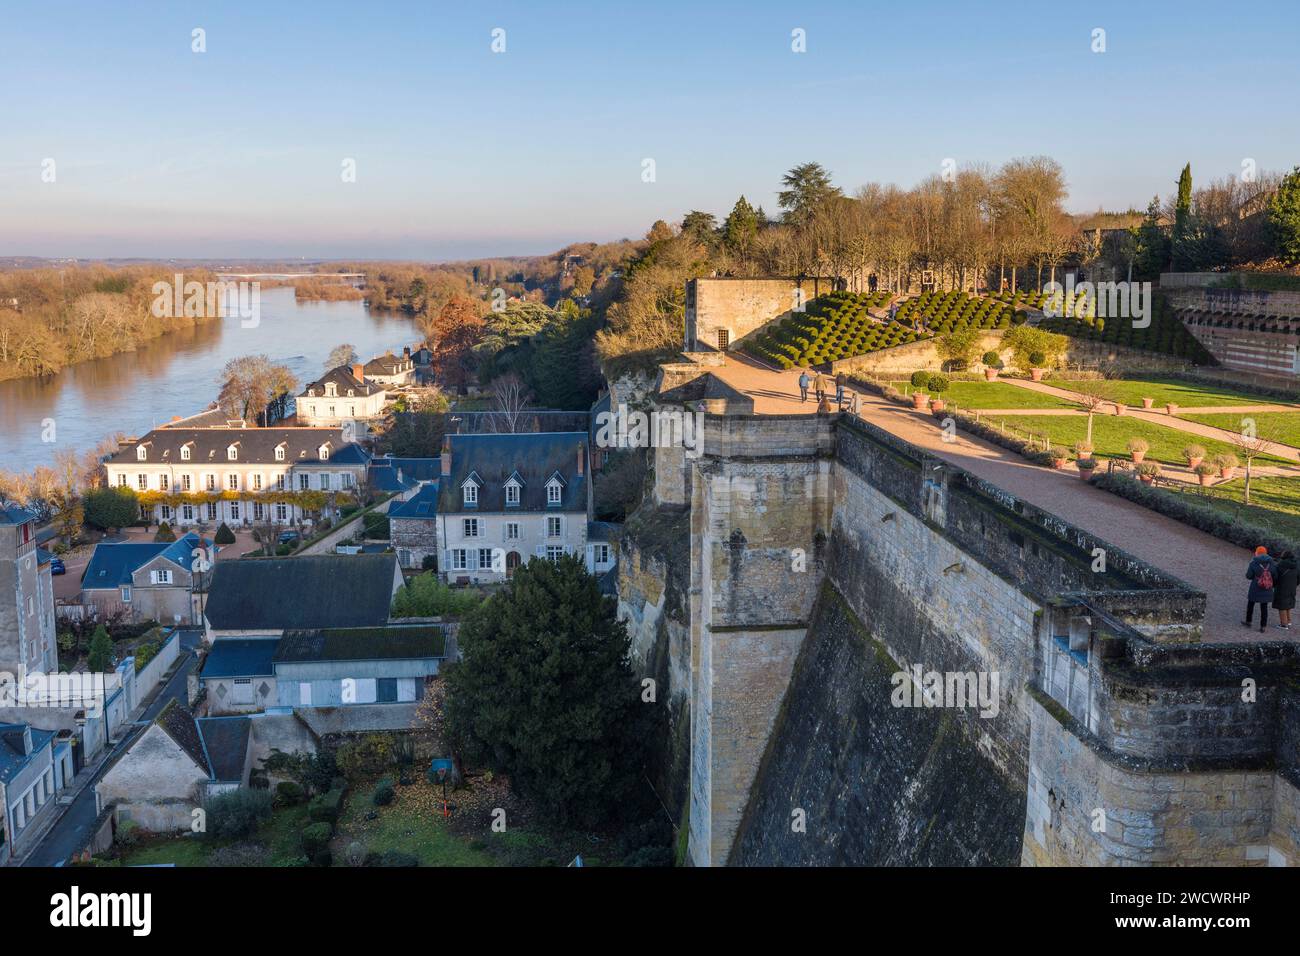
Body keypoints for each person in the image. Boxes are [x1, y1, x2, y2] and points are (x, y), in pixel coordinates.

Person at [1244, 546, 1277, 633]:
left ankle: (1248, 621)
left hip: (1255, 587)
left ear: (1257, 553)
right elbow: (1275, 576)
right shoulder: (1272, 563)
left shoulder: (1254, 563)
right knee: (1264, 607)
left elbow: (1248, 576)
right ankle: (1263, 626)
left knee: (1251, 604)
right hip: (1267, 588)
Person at [1273, 550, 1298, 630]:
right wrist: (1294, 584)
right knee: (1288, 605)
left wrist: (1274, 585)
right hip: (1292, 588)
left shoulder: (1280, 565)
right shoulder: (1296, 565)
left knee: (1282, 606)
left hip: (1282, 587)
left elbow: (1275, 576)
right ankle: (1289, 622)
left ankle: (1284, 625)